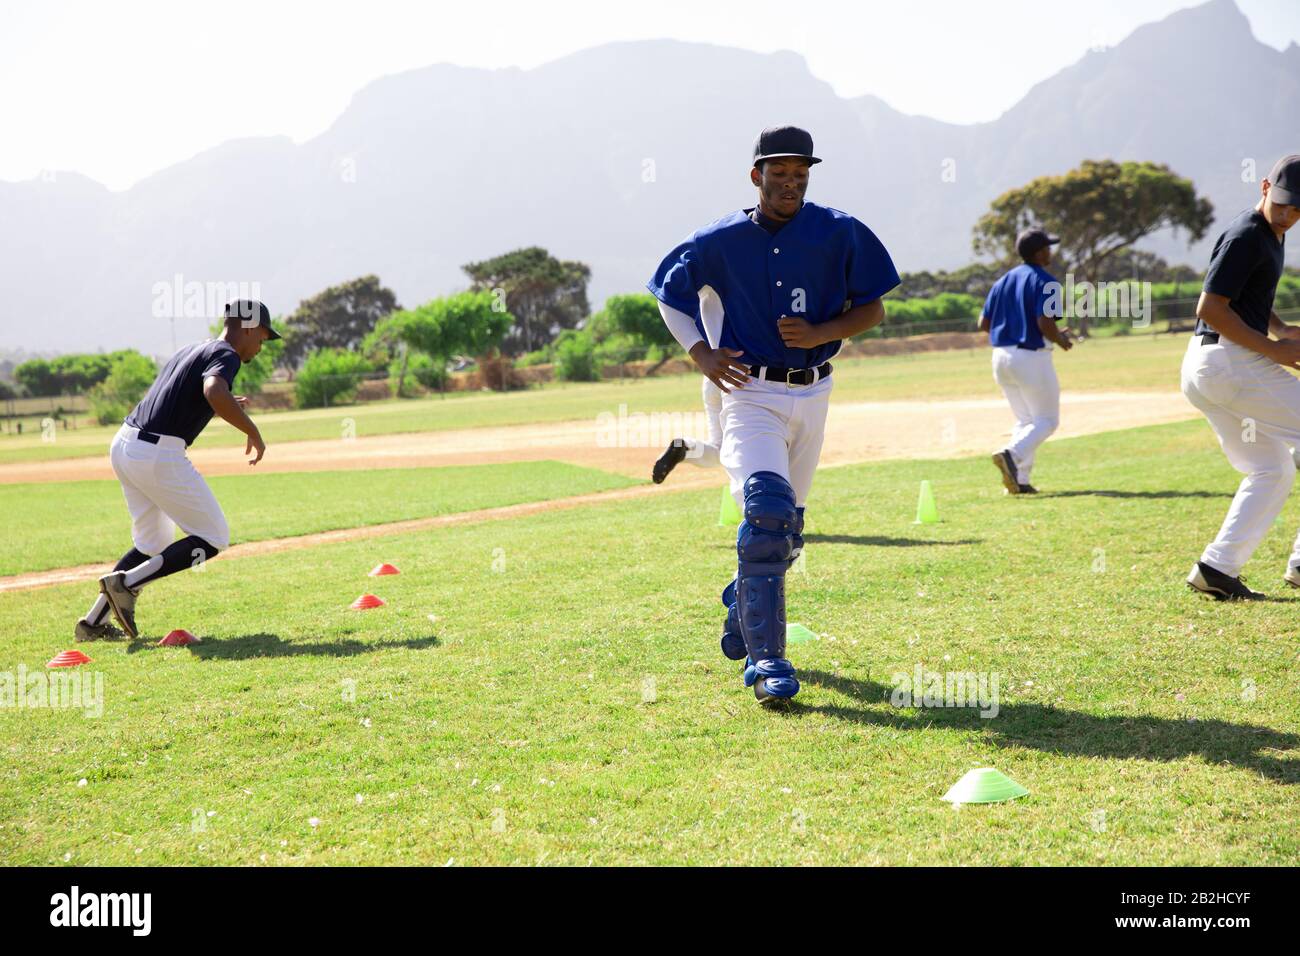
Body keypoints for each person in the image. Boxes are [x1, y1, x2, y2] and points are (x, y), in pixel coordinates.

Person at [647, 125, 899, 703]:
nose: (790, 183)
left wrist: (822, 331)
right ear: (755, 175)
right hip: (750, 391)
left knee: (788, 537)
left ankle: (742, 597)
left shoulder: (840, 231)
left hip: (814, 393)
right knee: (766, 515)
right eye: (778, 173)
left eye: (800, 174)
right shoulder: (719, 239)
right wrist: (700, 352)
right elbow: (668, 292)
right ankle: (768, 666)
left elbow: (873, 309)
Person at [76, 300, 278, 640]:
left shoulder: (193, 349)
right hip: (157, 453)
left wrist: (220, 403)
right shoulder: (226, 354)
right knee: (214, 536)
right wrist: (252, 430)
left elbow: (185, 398)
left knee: (151, 543)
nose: (261, 345)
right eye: (262, 336)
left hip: (126, 444)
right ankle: (128, 585)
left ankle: (93, 623)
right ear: (247, 327)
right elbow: (213, 390)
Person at [1182, 154, 1300, 600]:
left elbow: (1238, 298)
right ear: (1266, 186)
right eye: (1284, 203)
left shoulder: (1268, 233)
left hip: (1210, 367)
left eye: (1299, 209)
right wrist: (1275, 349)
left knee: (1270, 469)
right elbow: (1210, 307)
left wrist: (1280, 329)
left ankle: (1216, 569)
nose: (1289, 215)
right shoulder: (1249, 234)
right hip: (1229, 362)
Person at [978, 228, 1073, 495]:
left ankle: (1019, 480)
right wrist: (1061, 339)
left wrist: (1010, 331)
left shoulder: (1002, 281)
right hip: (1031, 355)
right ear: (1039, 252)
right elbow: (1045, 323)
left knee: (1025, 420)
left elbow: (983, 323)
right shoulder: (1047, 281)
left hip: (1000, 356)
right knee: (1047, 421)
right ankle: (1011, 454)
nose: (1051, 252)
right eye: (1048, 247)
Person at [652, 374, 724, 483]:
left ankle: (685, 446)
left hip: (711, 378)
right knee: (728, 452)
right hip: (742, 382)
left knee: (720, 447)